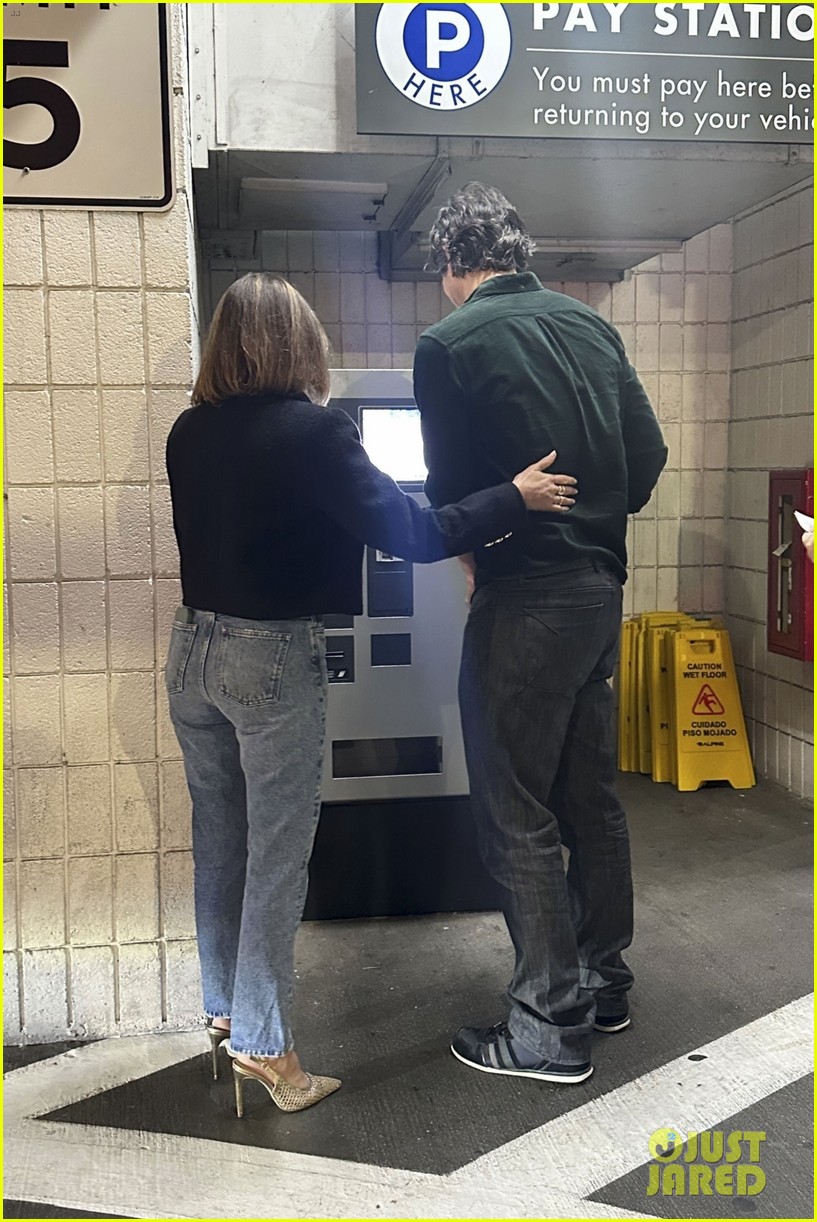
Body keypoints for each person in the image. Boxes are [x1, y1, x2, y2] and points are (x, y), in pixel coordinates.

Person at [164, 272, 578, 1115]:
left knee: (221, 838)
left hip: (192, 652)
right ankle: (266, 1046)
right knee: (278, 857)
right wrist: (514, 498)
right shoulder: (316, 433)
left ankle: (224, 1009)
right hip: (270, 656)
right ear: (297, 343)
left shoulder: (188, 429)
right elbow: (412, 532)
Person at [414, 183, 668, 1085]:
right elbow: (648, 457)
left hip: (524, 599)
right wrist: (598, 513)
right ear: (516, 252)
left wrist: (488, 543)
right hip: (601, 591)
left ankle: (544, 1028)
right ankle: (603, 984)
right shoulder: (591, 327)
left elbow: (447, 492)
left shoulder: (448, 344)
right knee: (588, 796)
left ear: (452, 263)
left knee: (513, 808)